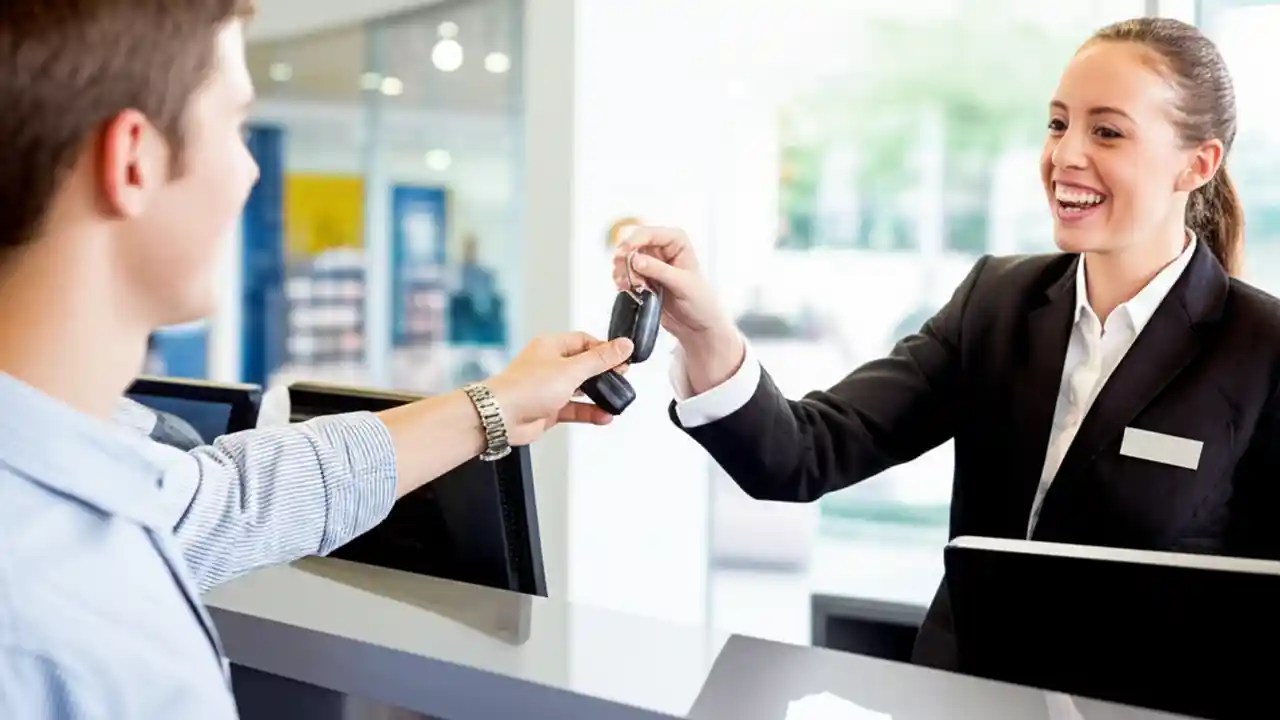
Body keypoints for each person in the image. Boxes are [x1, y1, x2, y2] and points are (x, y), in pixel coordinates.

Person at [0, 2, 631, 717]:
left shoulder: (67, 474)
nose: (250, 174)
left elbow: (218, 501)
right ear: (134, 160)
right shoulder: (48, 621)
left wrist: (496, 403)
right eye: (236, 127)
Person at [613, 16, 1280, 671]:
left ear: (1197, 164)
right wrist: (704, 329)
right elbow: (800, 454)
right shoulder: (995, 304)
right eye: (1057, 123)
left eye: (1106, 131)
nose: (1065, 155)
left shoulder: (1262, 349)